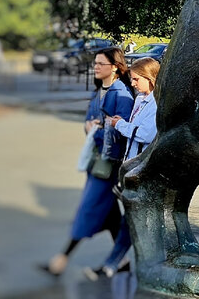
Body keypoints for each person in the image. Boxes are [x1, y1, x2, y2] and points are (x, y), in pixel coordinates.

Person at [42, 47, 134, 275]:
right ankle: (121, 262)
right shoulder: (99, 91)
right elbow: (89, 119)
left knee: (87, 209)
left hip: (108, 165)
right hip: (96, 162)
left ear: (114, 67)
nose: (95, 67)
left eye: (100, 64)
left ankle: (60, 261)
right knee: (110, 215)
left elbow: (122, 132)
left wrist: (99, 130)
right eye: (95, 63)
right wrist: (89, 127)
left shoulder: (121, 94)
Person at [85, 56, 160, 279]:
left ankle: (111, 266)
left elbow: (147, 134)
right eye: (132, 79)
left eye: (137, 79)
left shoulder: (157, 103)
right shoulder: (140, 99)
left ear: (150, 78)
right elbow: (135, 127)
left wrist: (121, 125)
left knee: (131, 223)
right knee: (133, 223)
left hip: (144, 171)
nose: (133, 83)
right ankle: (124, 264)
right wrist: (122, 123)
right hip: (130, 168)